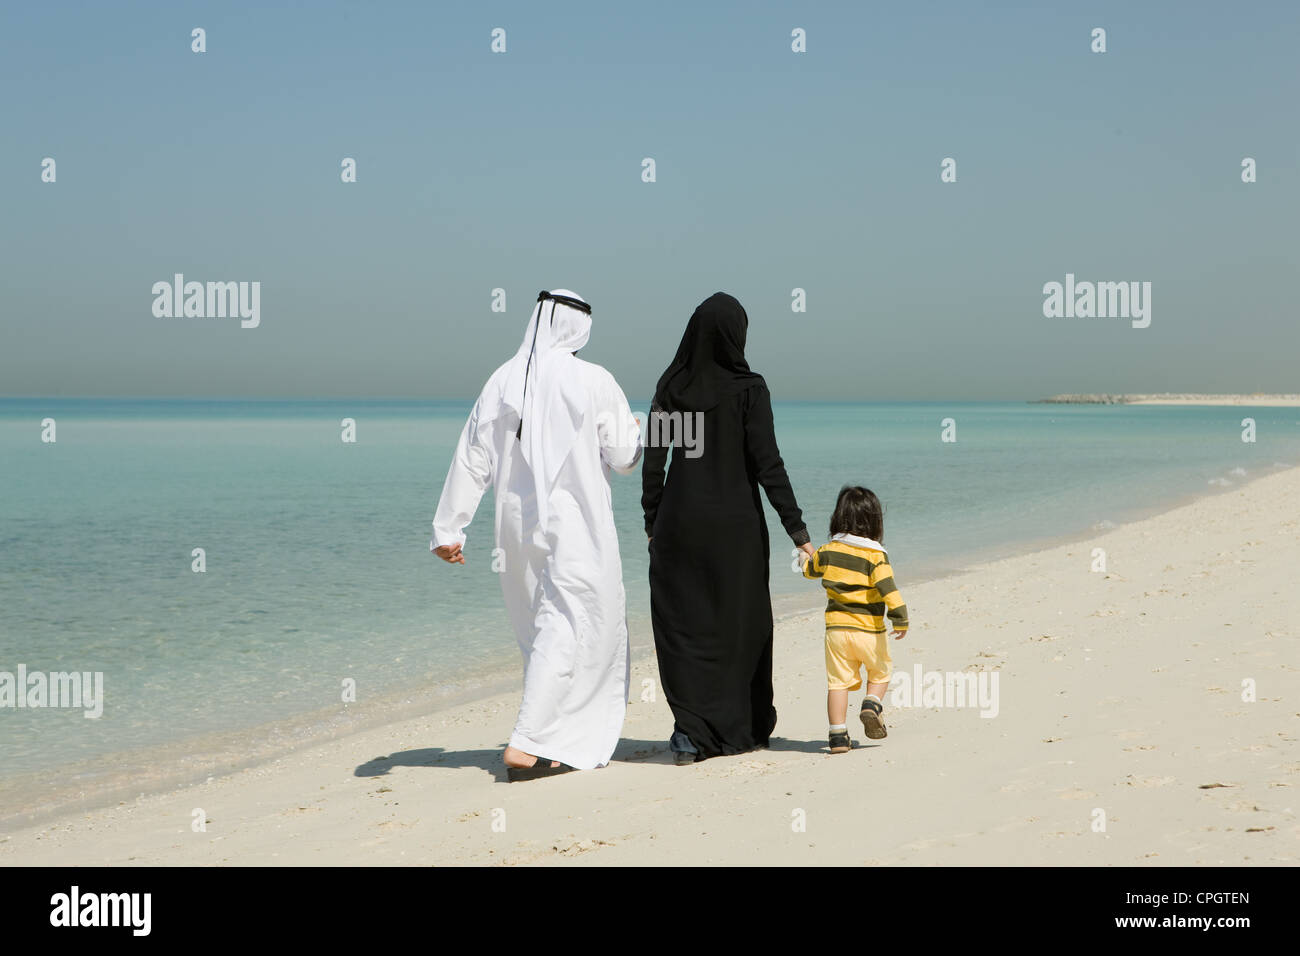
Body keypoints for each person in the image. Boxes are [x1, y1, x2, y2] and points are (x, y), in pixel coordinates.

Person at [431, 290, 642, 781]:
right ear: (578, 326)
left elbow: (472, 456)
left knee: (541, 630)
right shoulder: (595, 380)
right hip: (576, 528)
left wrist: (449, 527)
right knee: (571, 625)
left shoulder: (503, 379)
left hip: (515, 532)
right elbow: (624, 457)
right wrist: (633, 432)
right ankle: (527, 744)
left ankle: (552, 738)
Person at [642, 292, 813, 764]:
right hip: (735, 529)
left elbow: (654, 461)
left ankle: (689, 732)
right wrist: (797, 532)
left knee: (685, 626)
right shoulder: (748, 389)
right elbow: (767, 465)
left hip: (680, 525)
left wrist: (652, 523)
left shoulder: (671, 387)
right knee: (740, 623)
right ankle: (742, 726)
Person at [800, 486, 909, 753]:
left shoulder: (828, 550)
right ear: (875, 522)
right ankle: (871, 703)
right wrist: (900, 618)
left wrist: (805, 557)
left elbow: (811, 571)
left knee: (837, 682)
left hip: (836, 632)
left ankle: (837, 736)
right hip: (869, 631)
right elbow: (888, 590)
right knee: (880, 672)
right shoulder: (875, 555)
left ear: (838, 517)